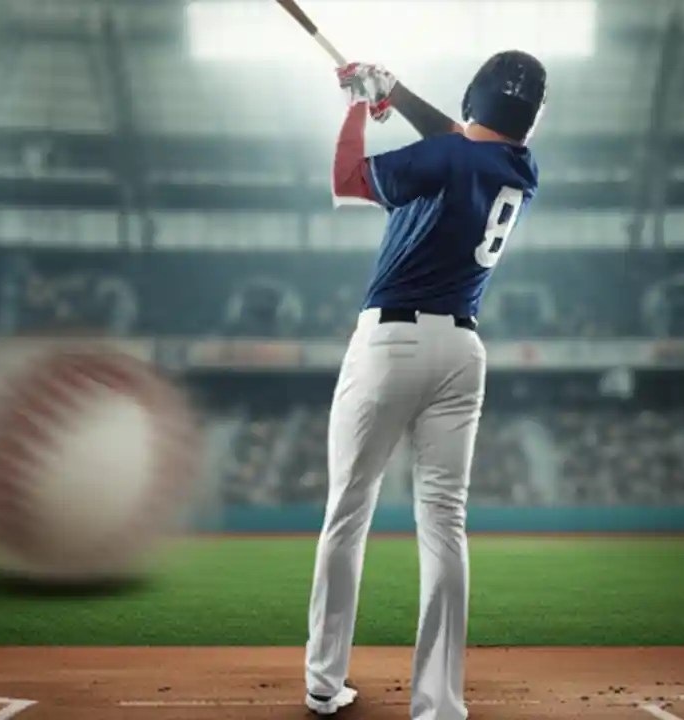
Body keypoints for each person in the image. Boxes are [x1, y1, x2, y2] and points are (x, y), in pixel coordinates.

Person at [304, 51, 547, 719]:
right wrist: (397, 92)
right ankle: (439, 703)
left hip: (391, 342)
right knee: (444, 525)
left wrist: (358, 106)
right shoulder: (520, 169)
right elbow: (463, 140)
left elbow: (347, 180)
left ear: (474, 97)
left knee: (348, 511)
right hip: (462, 352)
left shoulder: (449, 155)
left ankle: (324, 683)